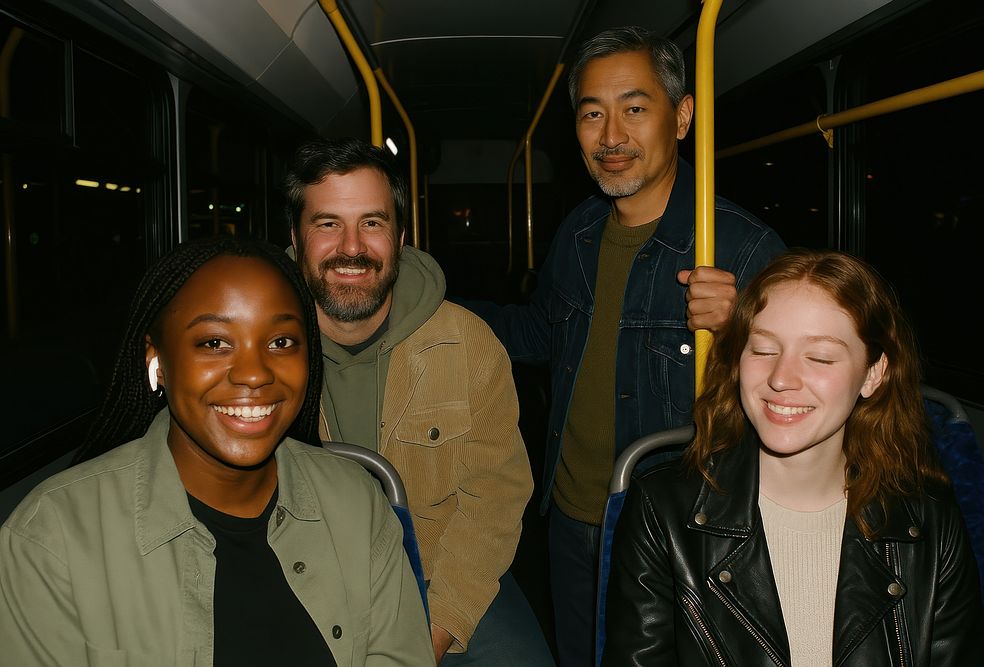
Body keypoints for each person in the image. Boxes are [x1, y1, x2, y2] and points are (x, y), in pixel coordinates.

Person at [467, 26, 786, 663]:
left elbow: (814, 398)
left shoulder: (744, 250)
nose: (610, 136)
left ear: (683, 116)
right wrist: (423, 310)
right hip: (570, 518)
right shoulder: (580, 233)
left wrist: (749, 335)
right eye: (592, 113)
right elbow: (538, 333)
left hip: (678, 538)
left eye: (634, 109)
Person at [0, 237, 434, 666]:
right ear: (156, 360)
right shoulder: (53, 537)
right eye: (214, 343)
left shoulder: (357, 502)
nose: (254, 374)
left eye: (281, 342)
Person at [604, 249, 984, 665]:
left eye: (819, 357)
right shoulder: (661, 511)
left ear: (873, 373)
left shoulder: (930, 517)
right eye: (764, 350)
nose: (781, 378)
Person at [286, 138, 550, 665]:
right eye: (328, 223)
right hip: (305, 579)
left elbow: (495, 496)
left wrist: (436, 629)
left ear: (401, 237)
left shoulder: (468, 344)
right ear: (295, 237)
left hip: (438, 570)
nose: (352, 246)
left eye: (373, 222)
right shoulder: (261, 349)